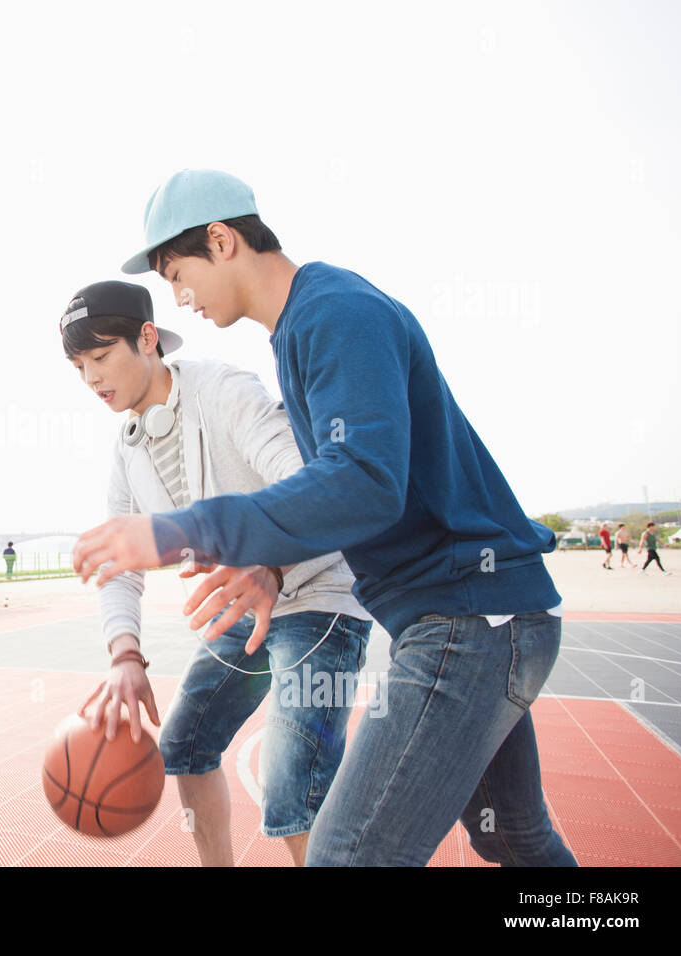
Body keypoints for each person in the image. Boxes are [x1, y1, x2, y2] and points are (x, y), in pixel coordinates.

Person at [72, 169, 575, 867]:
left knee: (343, 854)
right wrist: (272, 566)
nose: (179, 297)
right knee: (513, 837)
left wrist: (176, 530)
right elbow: (341, 488)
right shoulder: (302, 330)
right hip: (472, 618)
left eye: (178, 273)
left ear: (221, 241)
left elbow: (365, 483)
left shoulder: (333, 312)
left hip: (468, 620)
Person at [61, 279, 372, 866]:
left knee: (291, 794)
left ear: (147, 338)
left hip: (313, 595)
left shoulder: (225, 390)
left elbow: (312, 480)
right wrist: (125, 656)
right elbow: (119, 568)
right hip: (241, 612)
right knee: (185, 745)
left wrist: (272, 565)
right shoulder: (127, 449)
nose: (91, 379)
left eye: (100, 356)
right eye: (79, 366)